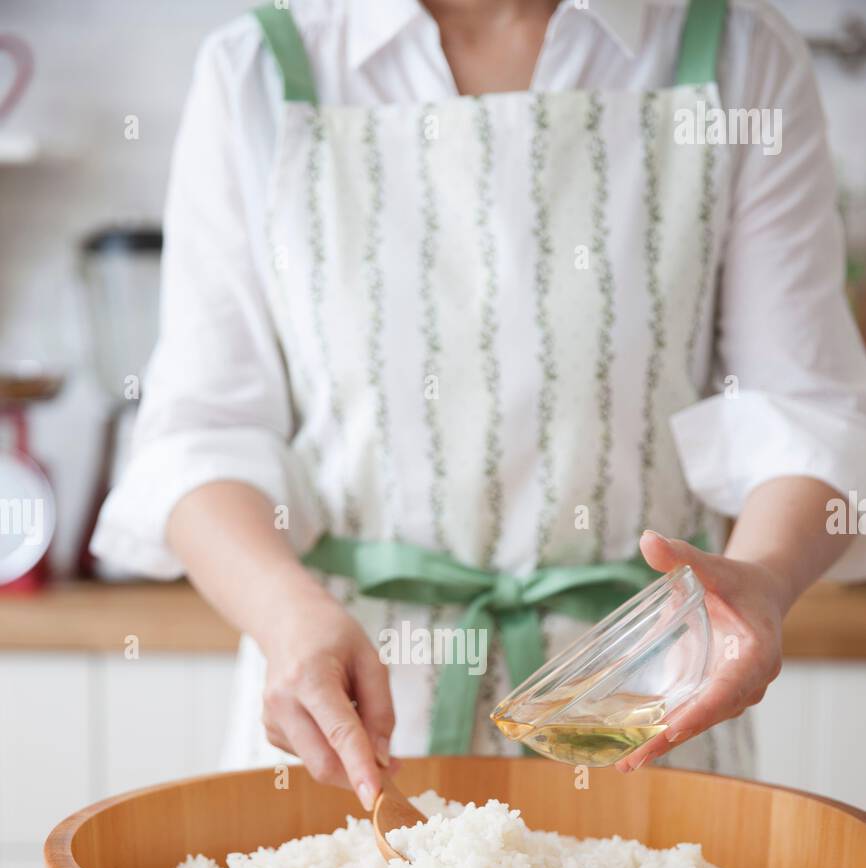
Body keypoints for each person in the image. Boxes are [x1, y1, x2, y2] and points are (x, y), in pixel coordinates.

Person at [92, 0, 866, 809]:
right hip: (350, 719)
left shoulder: (739, 53)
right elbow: (201, 435)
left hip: (649, 708)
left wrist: (764, 582)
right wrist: (288, 617)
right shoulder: (258, 69)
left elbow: (802, 407)